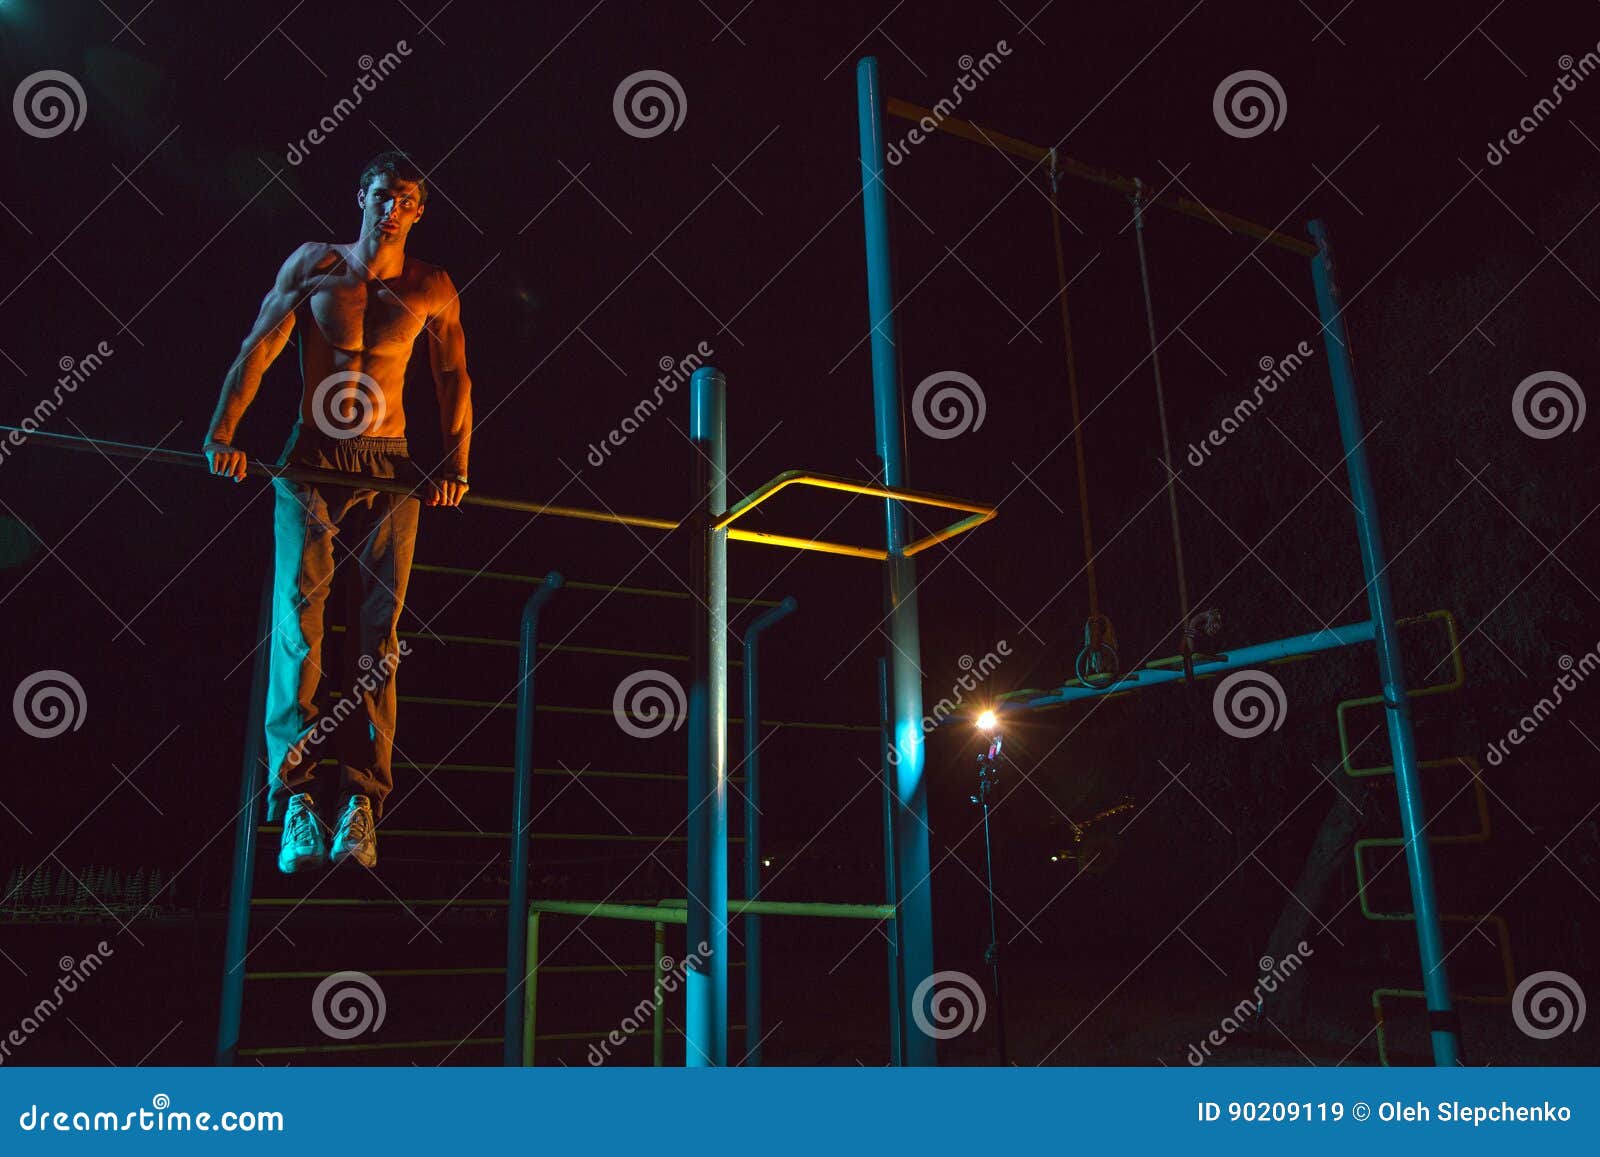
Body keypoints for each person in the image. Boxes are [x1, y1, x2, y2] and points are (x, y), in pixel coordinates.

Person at [201, 151, 473, 874]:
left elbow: (453, 377)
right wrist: (223, 434)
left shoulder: (431, 286)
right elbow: (258, 348)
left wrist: (456, 465)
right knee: (299, 616)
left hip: (390, 462)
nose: (394, 208)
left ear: (418, 212)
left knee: (380, 632)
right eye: (384, 193)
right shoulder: (315, 264)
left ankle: (361, 799)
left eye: (408, 200)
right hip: (312, 457)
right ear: (362, 193)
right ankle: (295, 797)